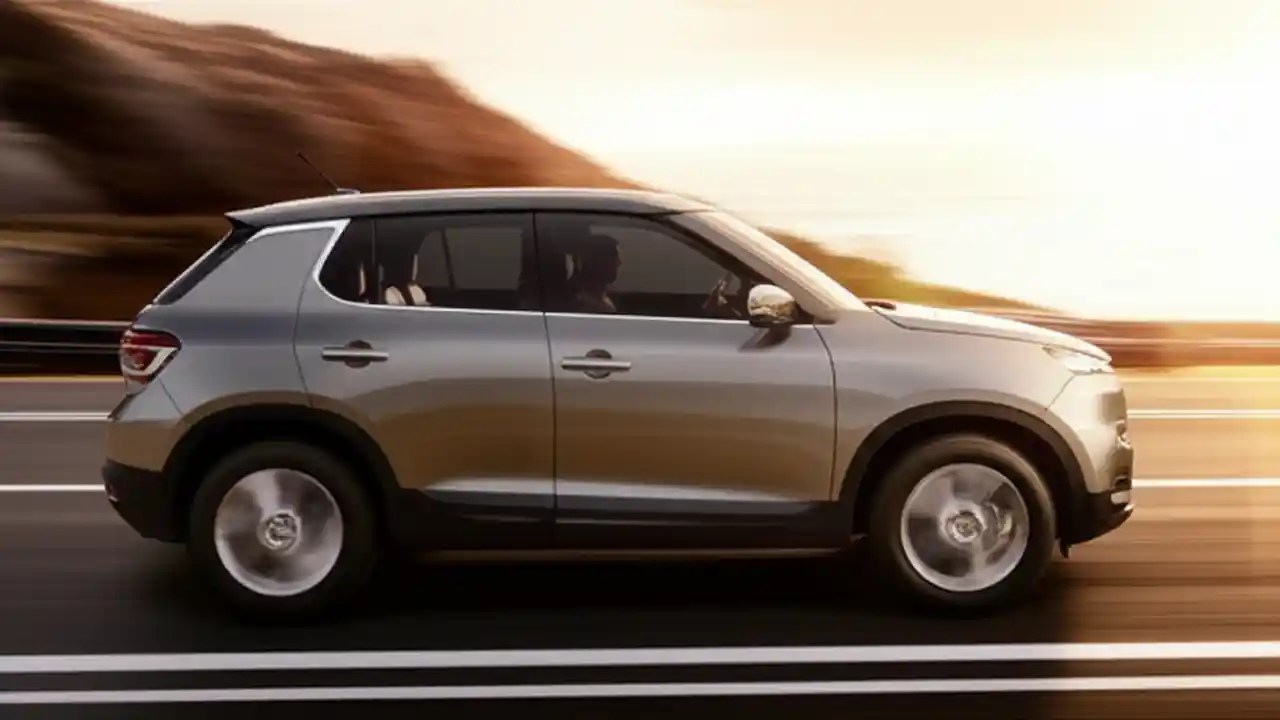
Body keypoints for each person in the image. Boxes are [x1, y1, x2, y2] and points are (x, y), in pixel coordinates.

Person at [570, 234, 621, 313]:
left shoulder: (597, 295)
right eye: (614, 257)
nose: (619, 263)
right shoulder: (582, 302)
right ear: (600, 261)